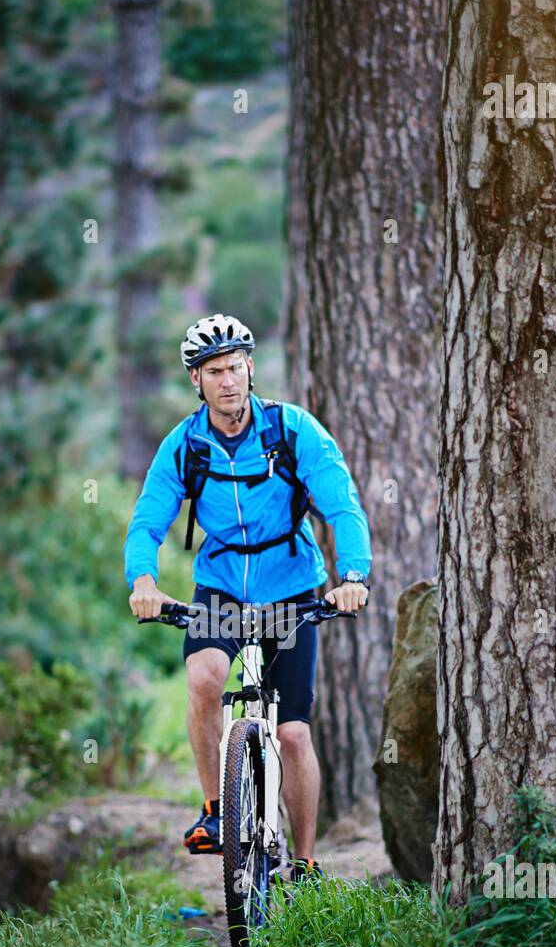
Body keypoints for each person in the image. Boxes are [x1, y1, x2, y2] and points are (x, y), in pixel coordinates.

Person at [125, 313, 371, 880]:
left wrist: (354, 576)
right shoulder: (185, 447)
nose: (228, 380)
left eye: (236, 367)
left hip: (291, 587)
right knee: (205, 678)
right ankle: (215, 810)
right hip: (221, 589)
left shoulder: (292, 431)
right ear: (197, 380)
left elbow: (342, 504)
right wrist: (142, 581)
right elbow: (147, 522)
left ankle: (305, 860)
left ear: (251, 368)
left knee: (292, 732)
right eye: (215, 371)